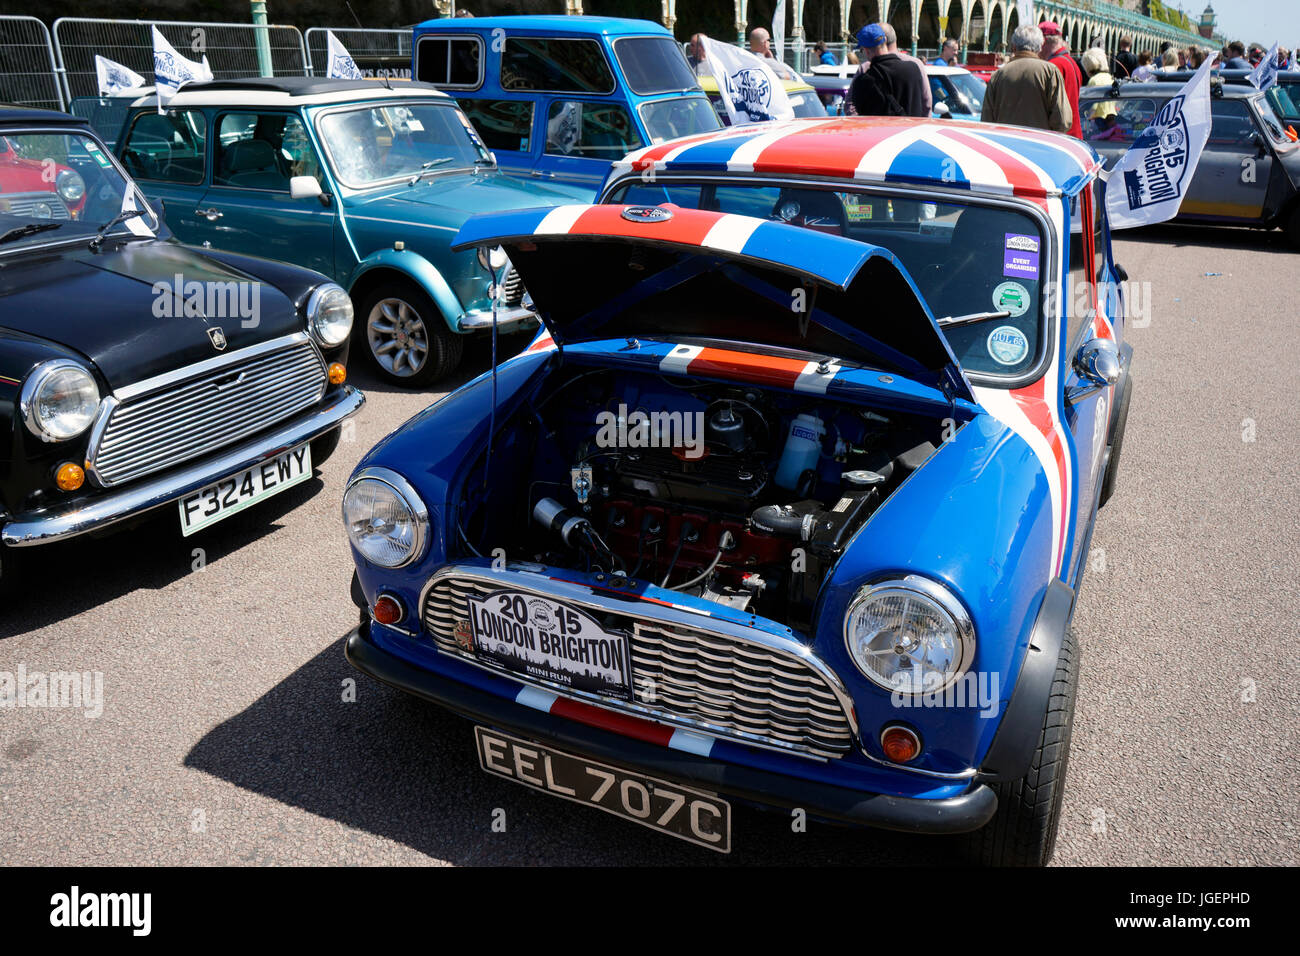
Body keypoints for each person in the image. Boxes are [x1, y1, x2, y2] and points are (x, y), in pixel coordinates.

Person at [981, 24, 1071, 133]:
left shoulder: (998, 75)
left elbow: (987, 120)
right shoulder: (1050, 71)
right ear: (1040, 46)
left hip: (1006, 144)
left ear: (1013, 47)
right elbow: (1062, 120)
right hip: (1040, 143)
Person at [850, 22, 927, 117]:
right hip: (912, 130)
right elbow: (925, 103)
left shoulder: (863, 81)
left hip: (883, 131)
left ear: (865, 50)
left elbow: (862, 114)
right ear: (885, 40)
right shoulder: (913, 68)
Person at [1040, 21, 1082, 138]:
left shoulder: (1053, 66)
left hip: (1060, 135)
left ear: (1043, 42)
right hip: (1073, 132)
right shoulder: (1071, 62)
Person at [882, 22, 933, 114]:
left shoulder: (867, 67)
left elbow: (851, 103)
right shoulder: (916, 64)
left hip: (877, 126)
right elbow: (926, 100)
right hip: (910, 125)